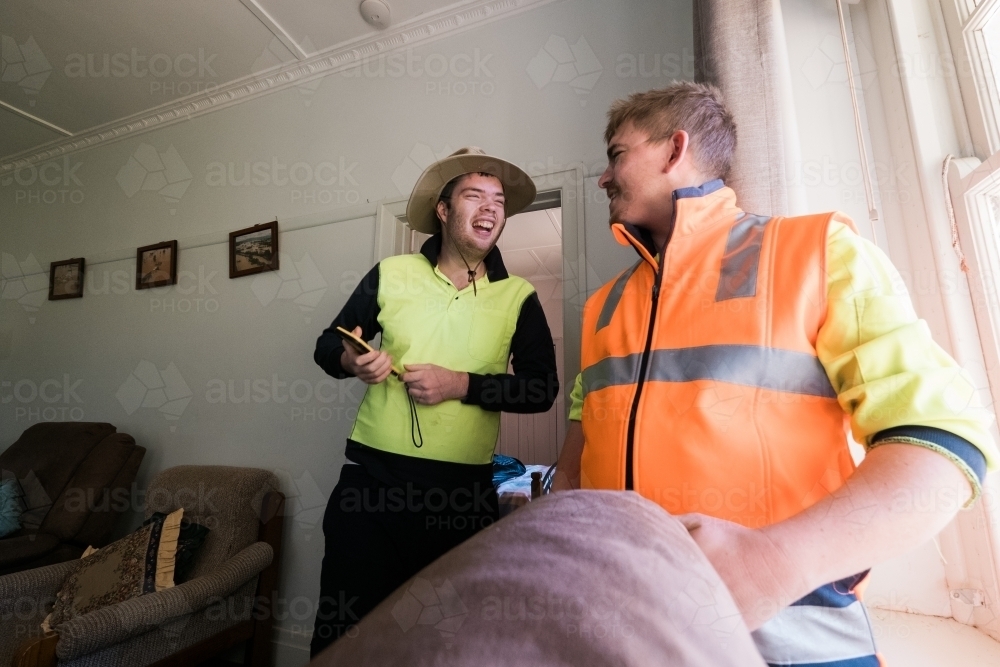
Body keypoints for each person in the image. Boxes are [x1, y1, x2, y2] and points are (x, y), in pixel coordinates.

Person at [554, 83, 997, 666]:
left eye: (616, 154)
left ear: (673, 150)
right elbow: (578, 460)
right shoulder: (602, 306)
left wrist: (775, 563)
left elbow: (946, 444)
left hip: (792, 642)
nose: (604, 177)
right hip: (622, 630)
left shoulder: (814, 251)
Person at [311, 147, 559, 655]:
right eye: (475, 196)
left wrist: (461, 385)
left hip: (461, 500)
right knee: (345, 641)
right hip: (370, 492)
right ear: (443, 211)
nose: (491, 208)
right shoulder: (390, 273)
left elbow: (542, 389)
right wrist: (351, 361)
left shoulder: (519, 296)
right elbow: (326, 344)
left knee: (444, 648)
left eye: (499, 201)